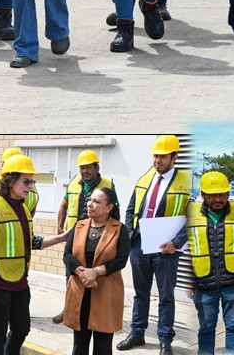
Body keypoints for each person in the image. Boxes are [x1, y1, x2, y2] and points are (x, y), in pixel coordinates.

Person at [0, 154, 68, 355]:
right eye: (26, 181)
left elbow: (31, 242)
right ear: (10, 181)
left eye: (31, 181)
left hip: (19, 283)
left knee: (22, 328)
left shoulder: (23, 209)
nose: (30, 186)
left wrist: (61, 238)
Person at [118, 135, 192, 354]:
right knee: (140, 293)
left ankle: (165, 340)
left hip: (166, 249)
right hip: (140, 244)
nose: (157, 160)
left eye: (163, 156)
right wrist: (131, 237)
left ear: (174, 157)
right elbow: (131, 209)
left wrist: (176, 242)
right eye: (155, 156)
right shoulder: (145, 178)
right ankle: (137, 333)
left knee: (165, 296)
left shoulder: (187, 183)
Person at [185, 171, 234, 355]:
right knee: (206, 328)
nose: (218, 198)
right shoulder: (190, 214)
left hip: (233, 283)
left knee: (233, 326)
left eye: (222, 194)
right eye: (213, 194)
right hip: (203, 283)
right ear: (203, 195)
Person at [63, 187, 130, 354]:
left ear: (109, 207)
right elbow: (67, 254)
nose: (90, 204)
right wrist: (83, 272)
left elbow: (121, 260)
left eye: (96, 201)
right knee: (79, 345)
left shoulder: (119, 229)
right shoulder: (79, 226)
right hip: (81, 291)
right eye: (90, 200)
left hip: (105, 292)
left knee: (103, 346)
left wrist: (95, 272)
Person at [53, 150, 116, 323]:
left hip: (98, 239)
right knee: (71, 275)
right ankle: (69, 309)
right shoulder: (74, 182)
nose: (85, 171)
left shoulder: (108, 184)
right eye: (82, 167)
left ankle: (94, 312)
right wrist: (60, 226)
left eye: (89, 167)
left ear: (97, 167)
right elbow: (63, 205)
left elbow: (115, 211)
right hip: (76, 238)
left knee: (95, 276)